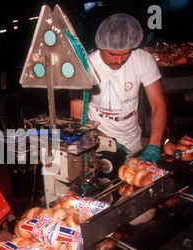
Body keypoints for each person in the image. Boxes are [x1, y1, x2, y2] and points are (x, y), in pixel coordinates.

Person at [69, 13, 167, 165]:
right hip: (99, 146)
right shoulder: (86, 68)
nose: (119, 60)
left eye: (126, 53)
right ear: (101, 46)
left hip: (134, 143)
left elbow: (158, 105)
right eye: (113, 54)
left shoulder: (143, 60)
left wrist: (154, 145)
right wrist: (108, 142)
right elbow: (77, 118)